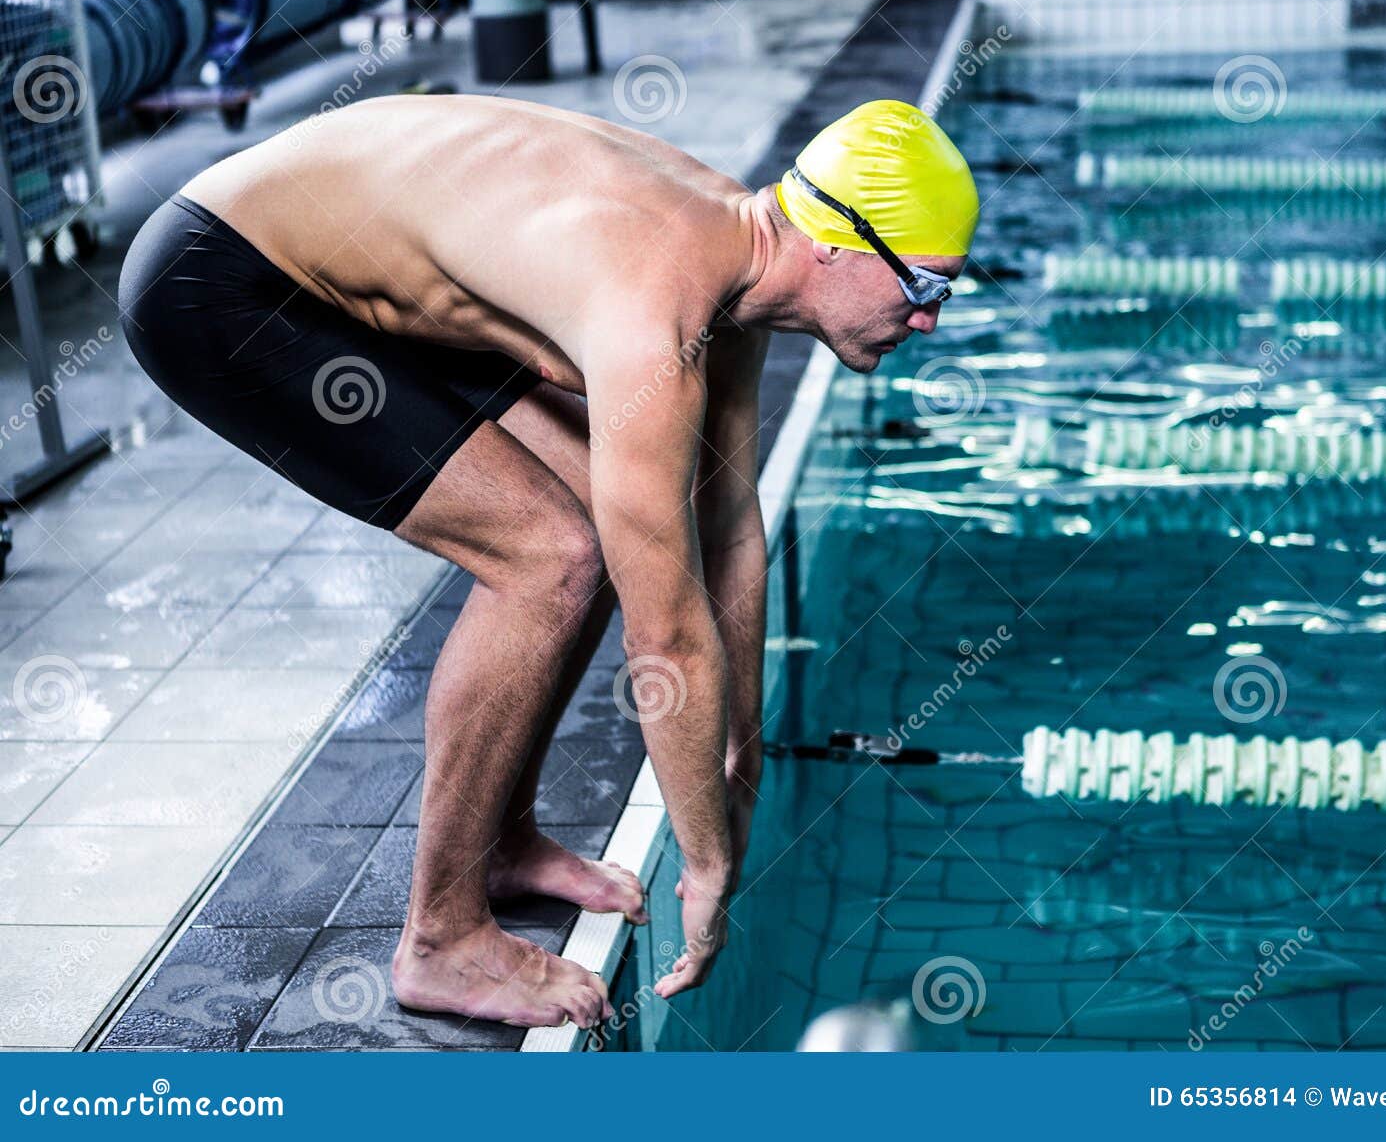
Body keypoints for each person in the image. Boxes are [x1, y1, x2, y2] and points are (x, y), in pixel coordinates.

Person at [118, 95, 979, 1028]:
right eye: (924, 286)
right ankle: (440, 936)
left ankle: (504, 841)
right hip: (224, 281)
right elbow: (666, 638)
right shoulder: (656, 308)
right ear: (836, 244)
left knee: (613, 521)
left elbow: (729, 524)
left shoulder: (739, 261)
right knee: (550, 555)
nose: (927, 321)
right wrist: (706, 866)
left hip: (365, 265)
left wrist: (743, 753)